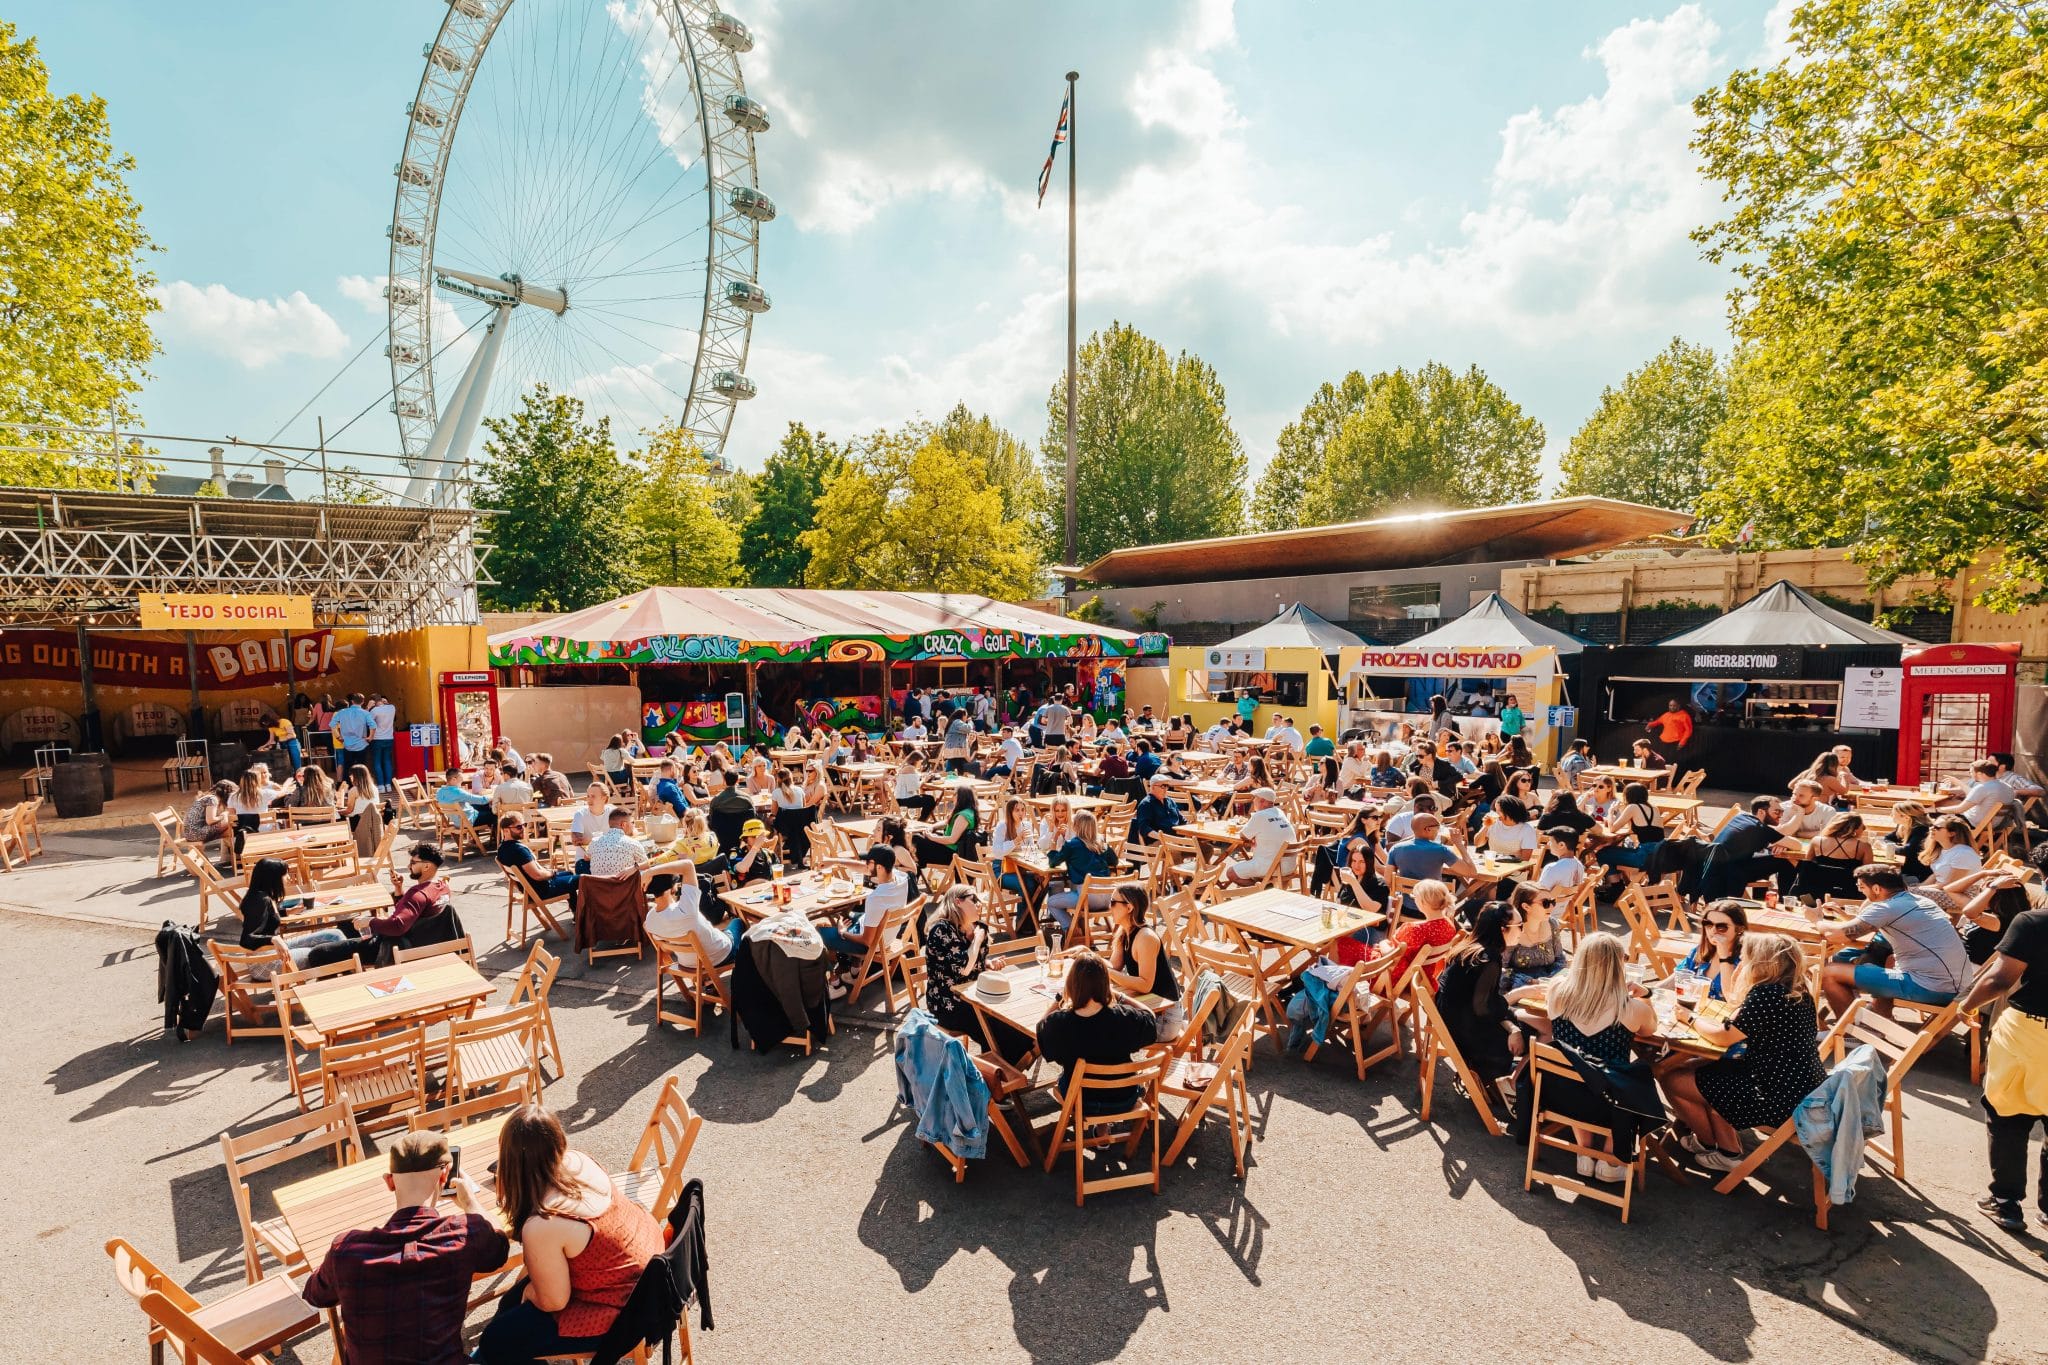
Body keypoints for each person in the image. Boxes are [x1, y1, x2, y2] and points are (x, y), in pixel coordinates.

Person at [475, 1106, 664, 1363]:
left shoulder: (544, 1222)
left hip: (623, 1309)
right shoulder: (578, 1161)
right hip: (646, 1262)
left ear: (510, 1163)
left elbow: (553, 1302)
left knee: (496, 1340)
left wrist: (528, 1293)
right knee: (509, 1309)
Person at [304, 1128, 509, 1363]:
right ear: (444, 1177)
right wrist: (470, 1202)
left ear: (390, 1182)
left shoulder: (346, 1251)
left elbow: (315, 1295)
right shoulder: (465, 1234)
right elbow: (499, 1247)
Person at [1660, 932, 1829, 1173]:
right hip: (1801, 1088)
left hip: (1777, 1098)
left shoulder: (1767, 994)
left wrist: (1689, 1017)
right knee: (1696, 1068)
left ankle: (1718, 1148)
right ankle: (1717, 1144)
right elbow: (1734, 1012)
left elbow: (1723, 1035)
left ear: (1762, 962)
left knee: (1671, 1077)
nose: (1743, 962)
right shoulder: (1796, 990)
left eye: (1748, 958)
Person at [1508, 932, 1656, 1182]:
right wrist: (1647, 994)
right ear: (1618, 964)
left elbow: (1562, 986)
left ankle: (1585, 1152)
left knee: (1576, 1064)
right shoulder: (1632, 1008)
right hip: (1609, 1103)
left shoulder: (1557, 992)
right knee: (1633, 1076)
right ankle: (1610, 1159)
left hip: (1556, 1094)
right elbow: (1650, 1030)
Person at [1953, 893, 2048, 1232]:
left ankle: (2006, 1203)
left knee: (2007, 1114)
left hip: (2029, 1031)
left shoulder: (2033, 921)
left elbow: (1999, 979)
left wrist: (1966, 1006)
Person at [1817, 864, 1970, 1014]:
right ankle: (1877, 1021)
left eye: (1862, 887)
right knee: (1890, 962)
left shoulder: (1888, 908)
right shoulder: (1921, 901)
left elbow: (1835, 936)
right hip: (1958, 986)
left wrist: (1816, 919)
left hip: (1934, 988)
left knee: (1828, 973)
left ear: (1877, 889)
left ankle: (1850, 1031)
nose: (1860, 891)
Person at [1034, 952, 1160, 1108]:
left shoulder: (1059, 1023)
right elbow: (1150, 1016)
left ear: (1072, 985)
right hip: (1123, 1098)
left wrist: (1060, 998)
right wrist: (1120, 996)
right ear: (1105, 985)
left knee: (1066, 1076)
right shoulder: (1124, 1018)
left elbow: (1040, 1027)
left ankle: (1100, 1125)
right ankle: (1103, 1127)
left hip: (1081, 1099)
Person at [1434, 901, 1520, 1088]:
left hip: (1449, 1020)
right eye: (1519, 926)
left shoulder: (1471, 945)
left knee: (1517, 1019)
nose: (1521, 930)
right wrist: (1512, 1025)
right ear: (1503, 929)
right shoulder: (1489, 959)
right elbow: (1482, 1008)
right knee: (1525, 1030)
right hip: (1464, 1032)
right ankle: (1498, 1083)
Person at [1102, 883, 1183, 1037]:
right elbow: (1114, 967)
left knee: (1100, 1029)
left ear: (1129, 907)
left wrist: (1103, 969)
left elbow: (1145, 985)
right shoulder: (1124, 931)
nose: (1109, 907)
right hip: (1147, 1007)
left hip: (1164, 1019)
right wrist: (1089, 957)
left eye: (1113, 902)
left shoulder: (1145, 937)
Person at [817, 846, 911, 976]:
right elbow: (864, 868)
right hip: (888, 936)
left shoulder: (876, 898)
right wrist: (834, 861)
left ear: (878, 867)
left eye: (869, 863)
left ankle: (834, 982)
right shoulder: (902, 878)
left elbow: (867, 940)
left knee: (818, 933)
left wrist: (843, 933)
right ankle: (855, 970)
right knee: (845, 916)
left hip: (873, 945)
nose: (866, 865)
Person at [920, 884, 994, 1037]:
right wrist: (977, 941)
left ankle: (1004, 1058)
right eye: (974, 899)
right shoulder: (941, 930)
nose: (979, 904)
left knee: (1001, 1019)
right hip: (947, 1003)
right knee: (992, 1026)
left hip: (974, 997)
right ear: (957, 902)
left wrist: (986, 963)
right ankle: (1006, 1057)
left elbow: (972, 963)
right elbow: (963, 969)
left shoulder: (978, 928)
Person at [1692, 795, 1797, 900]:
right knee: (1785, 861)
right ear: (1761, 812)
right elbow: (1797, 845)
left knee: (1769, 857)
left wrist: (1778, 843)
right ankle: (1785, 901)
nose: (1780, 815)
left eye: (1781, 811)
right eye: (1776, 812)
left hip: (1710, 871)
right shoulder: (1760, 829)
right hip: (1728, 876)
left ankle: (1759, 900)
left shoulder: (1741, 818)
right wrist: (1781, 843)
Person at [644, 859, 744, 966]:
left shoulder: (650, 920)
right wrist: (650, 872)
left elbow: (666, 950)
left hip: (689, 965)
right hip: (721, 955)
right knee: (738, 922)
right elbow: (688, 865)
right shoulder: (686, 908)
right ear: (672, 887)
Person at [1045, 810, 1117, 933]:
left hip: (1087, 899)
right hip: (1109, 898)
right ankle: (1077, 929)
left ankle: (1072, 929)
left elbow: (1053, 862)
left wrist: (1053, 842)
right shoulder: (1102, 843)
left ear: (1077, 826)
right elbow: (1114, 861)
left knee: (1051, 902)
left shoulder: (1073, 845)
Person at [497, 813, 578, 908]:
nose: (523, 829)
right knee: (584, 879)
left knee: (570, 874)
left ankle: (578, 914)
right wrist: (552, 873)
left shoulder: (502, 848)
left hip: (530, 890)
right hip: (543, 890)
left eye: (524, 825)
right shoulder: (519, 851)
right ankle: (585, 915)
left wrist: (551, 873)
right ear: (506, 830)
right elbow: (537, 875)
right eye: (519, 827)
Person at [1674, 900, 1747, 1001]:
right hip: (1694, 1010)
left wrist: (1724, 955)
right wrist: (1648, 991)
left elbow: (1734, 999)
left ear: (1739, 929)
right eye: (1708, 924)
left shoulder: (1746, 960)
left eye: (1721, 927)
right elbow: (1678, 977)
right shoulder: (1700, 950)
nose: (1713, 931)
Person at [1223, 787, 1296, 887]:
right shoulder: (1280, 812)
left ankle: (1262, 889)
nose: (1253, 801)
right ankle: (1265, 886)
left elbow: (1243, 835)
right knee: (1251, 864)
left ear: (1262, 801)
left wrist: (1251, 837)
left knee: (1231, 873)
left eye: (1255, 798)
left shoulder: (1260, 815)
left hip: (1272, 866)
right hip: (1289, 866)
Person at [1795, 811, 1872, 900]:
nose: (1864, 829)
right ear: (1855, 829)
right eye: (1863, 827)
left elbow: (1806, 868)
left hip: (1815, 892)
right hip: (1849, 894)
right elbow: (1868, 874)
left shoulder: (1817, 841)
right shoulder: (1864, 846)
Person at [1386, 812, 1476, 887]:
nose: (1439, 830)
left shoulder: (1395, 849)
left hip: (1405, 905)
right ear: (1428, 829)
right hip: (1433, 905)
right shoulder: (1441, 850)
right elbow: (1471, 872)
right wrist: (1459, 844)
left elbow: (1388, 880)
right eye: (1437, 827)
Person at [912, 783, 980, 868]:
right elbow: (945, 822)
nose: (953, 797)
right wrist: (932, 827)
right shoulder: (967, 811)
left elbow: (952, 840)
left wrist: (932, 837)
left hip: (951, 854)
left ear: (961, 797)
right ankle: (916, 867)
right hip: (951, 849)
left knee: (916, 840)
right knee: (919, 836)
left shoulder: (963, 816)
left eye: (955, 794)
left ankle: (914, 870)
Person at [770, 762, 825, 868]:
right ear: (791, 778)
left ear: (778, 779)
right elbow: (803, 808)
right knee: (795, 825)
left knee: (770, 821)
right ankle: (796, 855)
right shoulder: (800, 790)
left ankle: (776, 851)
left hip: (786, 827)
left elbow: (774, 812)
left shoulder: (776, 792)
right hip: (802, 825)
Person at [227, 763, 286, 856]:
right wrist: (285, 786)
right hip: (264, 830)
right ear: (257, 781)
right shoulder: (265, 793)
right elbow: (282, 792)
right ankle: (276, 853)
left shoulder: (232, 796)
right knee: (279, 823)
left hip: (244, 833)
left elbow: (232, 817)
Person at [180, 780, 236, 859]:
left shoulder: (207, 797)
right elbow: (210, 820)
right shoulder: (212, 799)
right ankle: (234, 854)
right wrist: (223, 815)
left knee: (228, 828)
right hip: (195, 834)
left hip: (190, 833)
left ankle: (229, 855)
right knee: (228, 821)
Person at [705, 769, 756, 855]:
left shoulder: (716, 800)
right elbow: (753, 818)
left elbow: (711, 820)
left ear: (724, 781)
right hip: (742, 837)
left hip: (722, 838)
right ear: (737, 780)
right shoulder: (747, 799)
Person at [1128, 775, 1184, 846]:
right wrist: (1164, 838)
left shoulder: (1170, 801)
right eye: (1163, 786)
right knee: (1175, 849)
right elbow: (1144, 828)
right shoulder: (1146, 804)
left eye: (1167, 786)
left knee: (1201, 842)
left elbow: (1183, 821)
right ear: (1153, 787)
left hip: (1176, 838)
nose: (1166, 789)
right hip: (1158, 842)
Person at [344, 763, 384, 860]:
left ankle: (344, 851)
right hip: (375, 821)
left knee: (339, 819)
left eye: (351, 774)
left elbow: (349, 810)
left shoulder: (354, 790)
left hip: (359, 822)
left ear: (356, 776)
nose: (350, 776)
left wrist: (337, 811)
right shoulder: (374, 788)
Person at [330, 692, 373, 778]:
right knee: (347, 763)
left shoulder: (341, 713)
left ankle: (344, 782)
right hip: (344, 743)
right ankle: (345, 781)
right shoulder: (342, 713)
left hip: (343, 742)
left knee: (345, 763)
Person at [366, 693, 398, 789]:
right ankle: (388, 785)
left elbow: (367, 722)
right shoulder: (392, 708)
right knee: (387, 761)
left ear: (373, 701)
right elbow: (388, 706)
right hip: (389, 738)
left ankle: (380, 785)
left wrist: (368, 707)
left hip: (377, 739)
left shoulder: (374, 711)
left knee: (377, 762)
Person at [262, 710, 302, 775]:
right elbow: (271, 740)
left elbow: (293, 735)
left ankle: (300, 781)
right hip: (282, 744)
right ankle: (292, 780)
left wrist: (282, 739)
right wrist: (263, 746)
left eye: (266, 723)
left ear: (271, 719)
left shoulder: (285, 721)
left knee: (296, 763)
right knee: (287, 764)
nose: (267, 725)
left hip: (292, 743)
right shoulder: (271, 727)